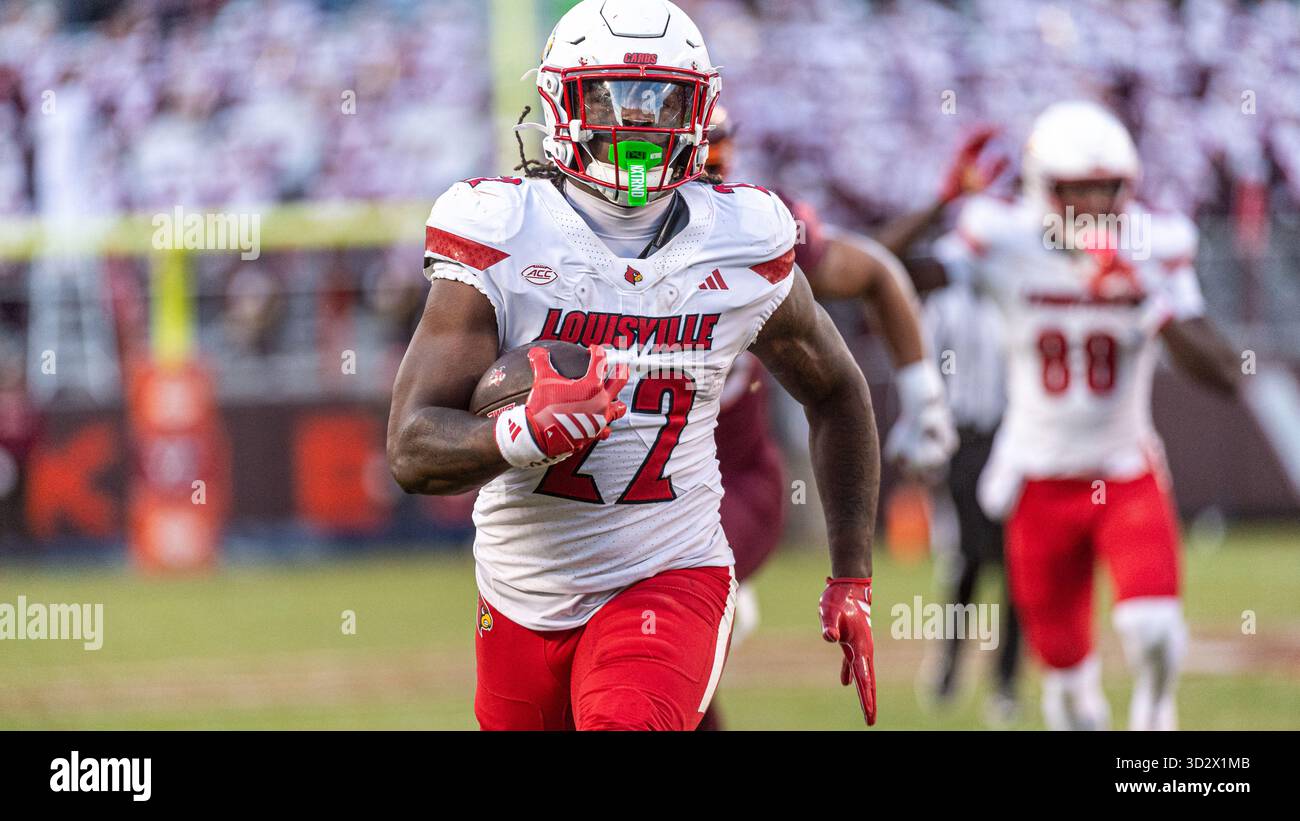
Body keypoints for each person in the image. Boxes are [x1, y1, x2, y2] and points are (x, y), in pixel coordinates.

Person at [387, 0, 881, 731]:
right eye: (613, 97)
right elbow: (411, 446)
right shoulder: (502, 232)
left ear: (700, 108)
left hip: (668, 573)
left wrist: (852, 576)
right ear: (561, 100)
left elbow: (837, 390)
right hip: (520, 592)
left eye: (662, 101)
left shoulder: (741, 240)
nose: (637, 125)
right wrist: (522, 434)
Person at [927, 101, 1241, 730]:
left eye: (1106, 188)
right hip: (1038, 479)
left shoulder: (1155, 245)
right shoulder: (1005, 239)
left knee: (1152, 627)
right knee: (1067, 687)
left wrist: (1145, 298)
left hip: (1124, 470)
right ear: (1045, 189)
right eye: (1077, 190)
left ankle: (1155, 716)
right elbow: (896, 276)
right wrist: (939, 206)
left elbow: (1228, 374)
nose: (1094, 204)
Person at [696, 106, 958, 729]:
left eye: (716, 149)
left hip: (727, 487)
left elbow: (871, 272)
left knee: (661, 619)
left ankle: (714, 595)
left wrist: (925, 401)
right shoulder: (581, 237)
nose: (704, 167)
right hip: (625, 496)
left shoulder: (752, 229)